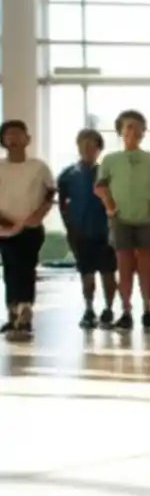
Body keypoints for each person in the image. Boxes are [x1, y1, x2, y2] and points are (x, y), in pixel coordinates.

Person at [95, 110, 150, 332]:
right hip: (120, 219)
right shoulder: (110, 160)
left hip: (147, 218)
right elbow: (99, 186)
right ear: (120, 131)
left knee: (146, 267)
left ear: (144, 132)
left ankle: (147, 310)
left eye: (138, 127)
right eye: (128, 127)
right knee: (124, 267)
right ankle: (126, 311)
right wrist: (108, 202)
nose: (133, 131)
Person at [0, 120, 56, 340]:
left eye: (18, 134)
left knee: (26, 268)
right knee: (9, 269)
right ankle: (12, 313)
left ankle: (25, 313)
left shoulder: (38, 167)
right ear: (3, 141)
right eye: (9, 135)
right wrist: (7, 223)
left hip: (31, 226)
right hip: (4, 227)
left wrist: (38, 216)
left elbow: (50, 192)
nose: (13, 138)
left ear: (27, 139)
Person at [58, 129, 118, 329]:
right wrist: (70, 229)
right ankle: (89, 309)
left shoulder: (107, 174)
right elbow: (63, 205)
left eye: (92, 145)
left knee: (108, 273)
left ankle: (109, 309)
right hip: (81, 232)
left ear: (99, 149)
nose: (87, 149)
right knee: (87, 274)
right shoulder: (68, 175)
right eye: (83, 145)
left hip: (105, 232)